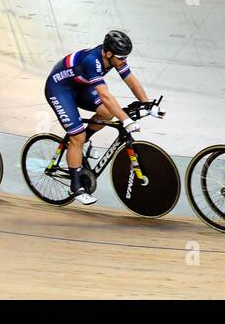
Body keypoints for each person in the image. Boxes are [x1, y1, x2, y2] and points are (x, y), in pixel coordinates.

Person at [44, 31, 157, 205]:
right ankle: (75, 187)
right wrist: (126, 120)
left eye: (126, 57)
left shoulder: (113, 58)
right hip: (60, 89)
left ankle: (82, 144)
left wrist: (148, 104)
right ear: (109, 53)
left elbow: (131, 81)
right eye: (121, 57)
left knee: (107, 112)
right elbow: (104, 95)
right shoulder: (91, 61)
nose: (123, 61)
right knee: (77, 137)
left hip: (80, 86)